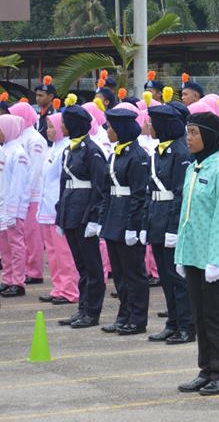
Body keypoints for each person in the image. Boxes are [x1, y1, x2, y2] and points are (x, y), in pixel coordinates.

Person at [175, 112, 219, 396]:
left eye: (194, 133)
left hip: (215, 259)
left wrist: (214, 262)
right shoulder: (194, 168)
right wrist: (181, 254)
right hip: (193, 255)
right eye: (187, 132)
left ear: (210, 137)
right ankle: (205, 370)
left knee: (215, 317)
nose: (188, 138)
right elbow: (185, 216)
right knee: (199, 316)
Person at [145, 98, 195, 344]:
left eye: (152, 123)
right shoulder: (159, 150)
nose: (149, 127)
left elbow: (180, 193)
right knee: (165, 277)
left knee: (177, 278)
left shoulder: (180, 152)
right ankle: (172, 323)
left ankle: (187, 325)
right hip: (157, 218)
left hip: (171, 221)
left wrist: (174, 228)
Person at [97, 107, 150, 335]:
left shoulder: (138, 156)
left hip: (128, 218)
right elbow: (106, 190)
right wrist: (102, 219)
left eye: (111, 127)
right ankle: (124, 315)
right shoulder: (115, 154)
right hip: (114, 218)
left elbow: (139, 195)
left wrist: (133, 226)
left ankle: (137, 319)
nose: (108, 131)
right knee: (119, 274)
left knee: (133, 274)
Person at [55, 101, 108, 328]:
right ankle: (82, 308)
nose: (62, 127)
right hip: (71, 211)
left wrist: (94, 218)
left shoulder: (92, 150)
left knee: (92, 266)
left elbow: (100, 187)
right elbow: (64, 184)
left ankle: (92, 312)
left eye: (65, 123)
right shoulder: (69, 149)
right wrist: (60, 215)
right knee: (81, 266)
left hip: (85, 214)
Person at [36, 109, 80, 305]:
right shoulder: (52, 149)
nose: (49, 130)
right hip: (46, 207)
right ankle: (58, 288)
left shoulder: (66, 149)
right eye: (47, 127)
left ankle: (70, 289)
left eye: (52, 127)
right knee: (53, 254)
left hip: (58, 206)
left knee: (64, 253)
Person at [7, 102, 48, 289]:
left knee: (32, 236)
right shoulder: (17, 136)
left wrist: (26, 193)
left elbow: (35, 170)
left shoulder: (35, 139)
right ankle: (22, 270)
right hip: (19, 195)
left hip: (32, 195)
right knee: (20, 236)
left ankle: (34, 271)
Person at [0, 114, 31, 297]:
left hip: (14, 207)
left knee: (16, 245)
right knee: (4, 247)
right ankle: (8, 279)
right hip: (3, 205)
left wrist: (12, 211)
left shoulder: (18, 153)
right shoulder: (4, 149)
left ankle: (18, 282)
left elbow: (17, 185)